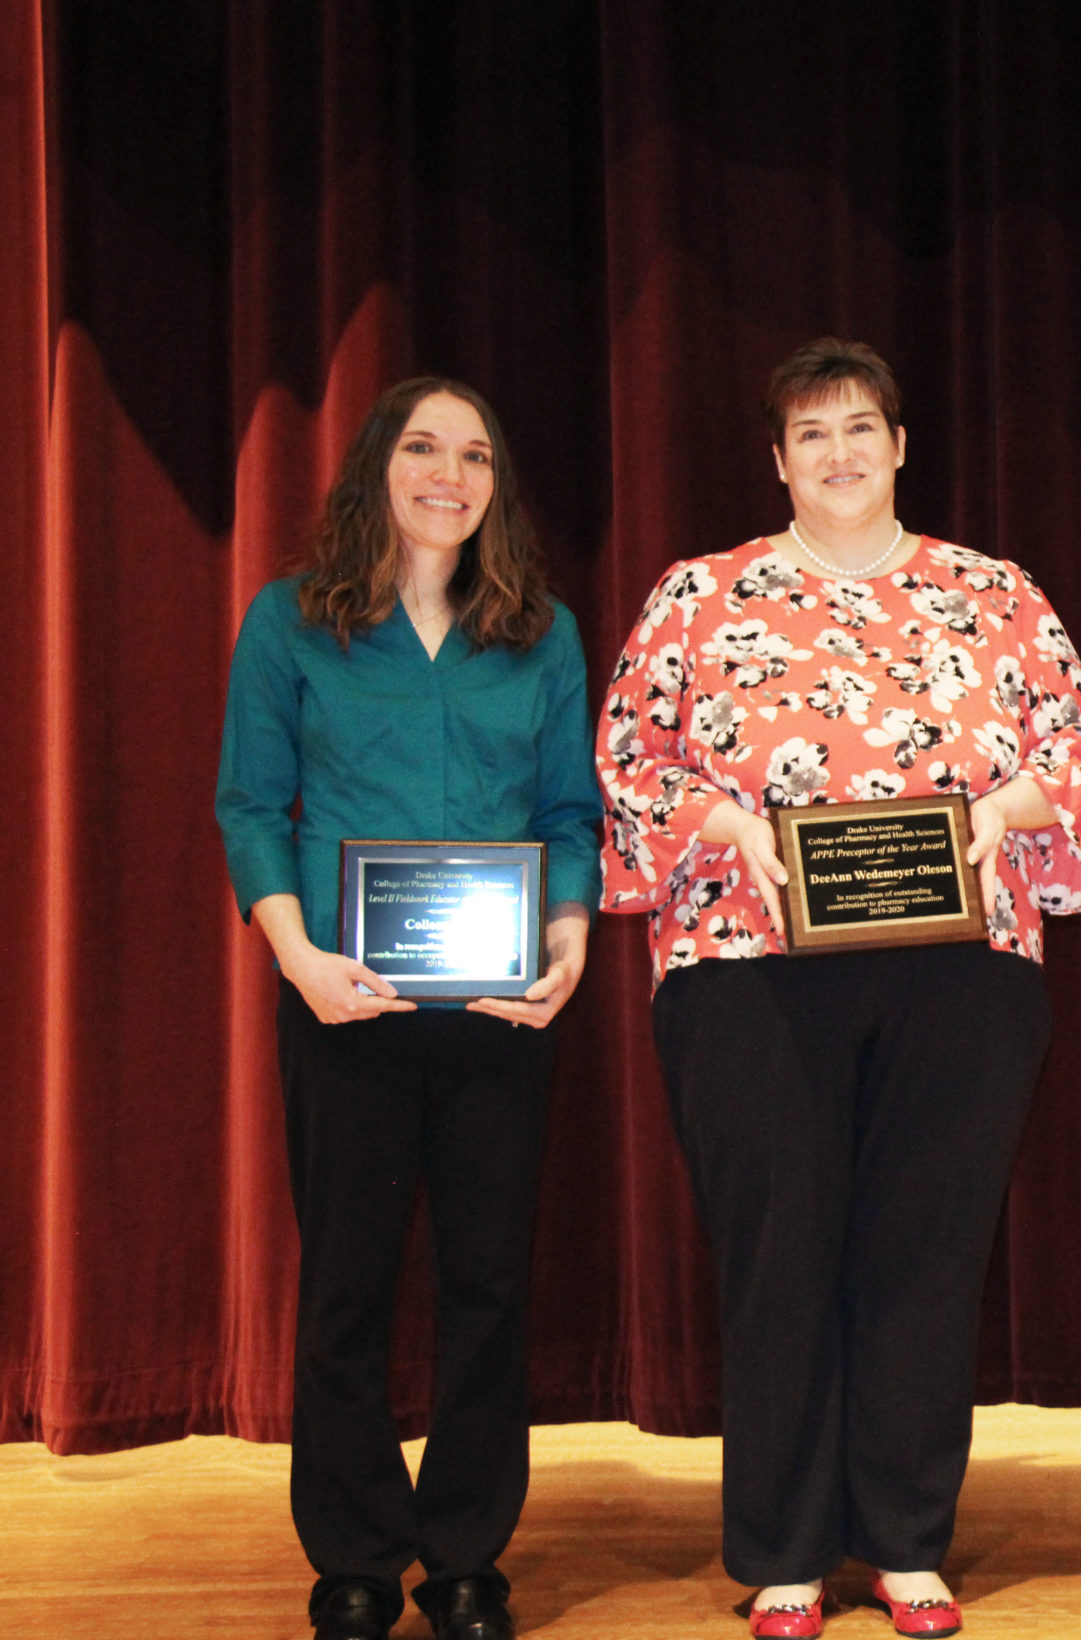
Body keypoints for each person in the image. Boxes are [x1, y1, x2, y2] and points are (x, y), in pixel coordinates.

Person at [596, 338, 1081, 1640]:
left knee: (922, 1258)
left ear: (900, 445)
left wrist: (1013, 800)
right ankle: (782, 1549)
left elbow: (1078, 742)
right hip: (750, 974)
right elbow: (627, 760)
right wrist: (725, 824)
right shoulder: (697, 598)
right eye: (811, 433)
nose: (839, 451)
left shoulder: (994, 594)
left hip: (961, 978)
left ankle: (903, 1539)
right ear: (778, 461)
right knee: (781, 1258)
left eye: (861, 427)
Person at [216, 378, 600, 1640]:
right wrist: (297, 958)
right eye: (426, 448)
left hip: (497, 1015)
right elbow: (248, 806)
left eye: (477, 454)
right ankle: (357, 1559)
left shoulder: (538, 633)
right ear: (378, 465)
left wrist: (568, 938)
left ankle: (469, 1555)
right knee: (346, 1284)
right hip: (345, 1003)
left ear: (497, 484)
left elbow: (566, 815)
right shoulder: (289, 623)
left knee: (487, 1282)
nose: (452, 474)